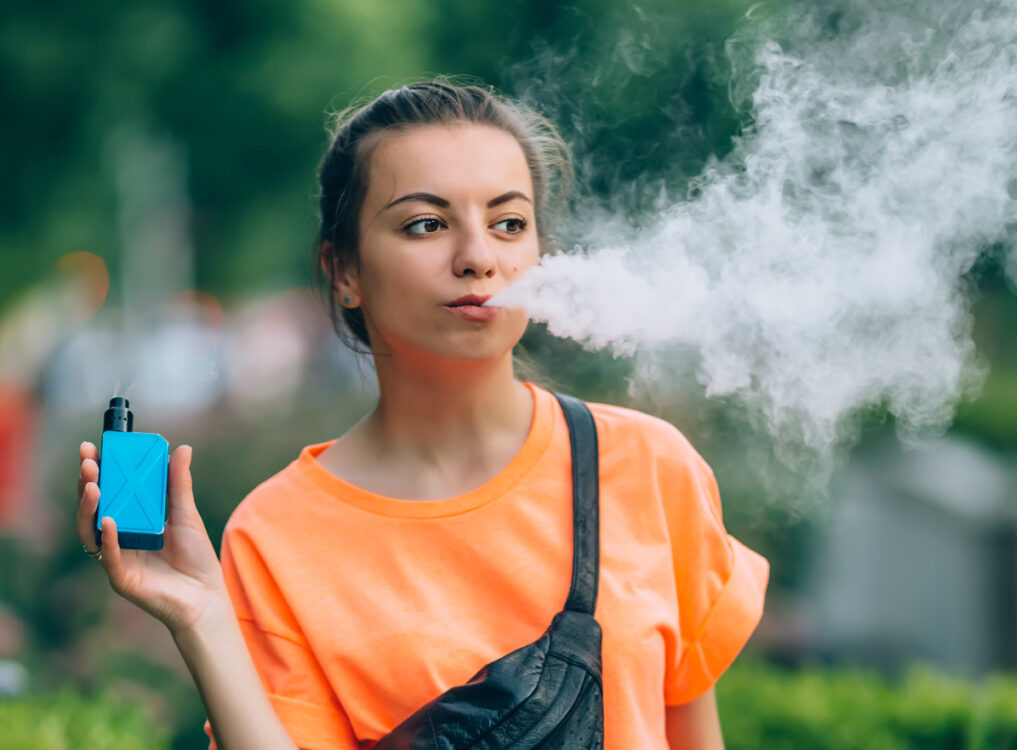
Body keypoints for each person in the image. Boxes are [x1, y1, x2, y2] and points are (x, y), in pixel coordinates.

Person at [76, 81, 769, 750]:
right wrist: (202, 617)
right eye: (426, 224)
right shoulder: (279, 534)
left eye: (508, 224)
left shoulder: (648, 467)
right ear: (344, 271)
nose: (477, 258)